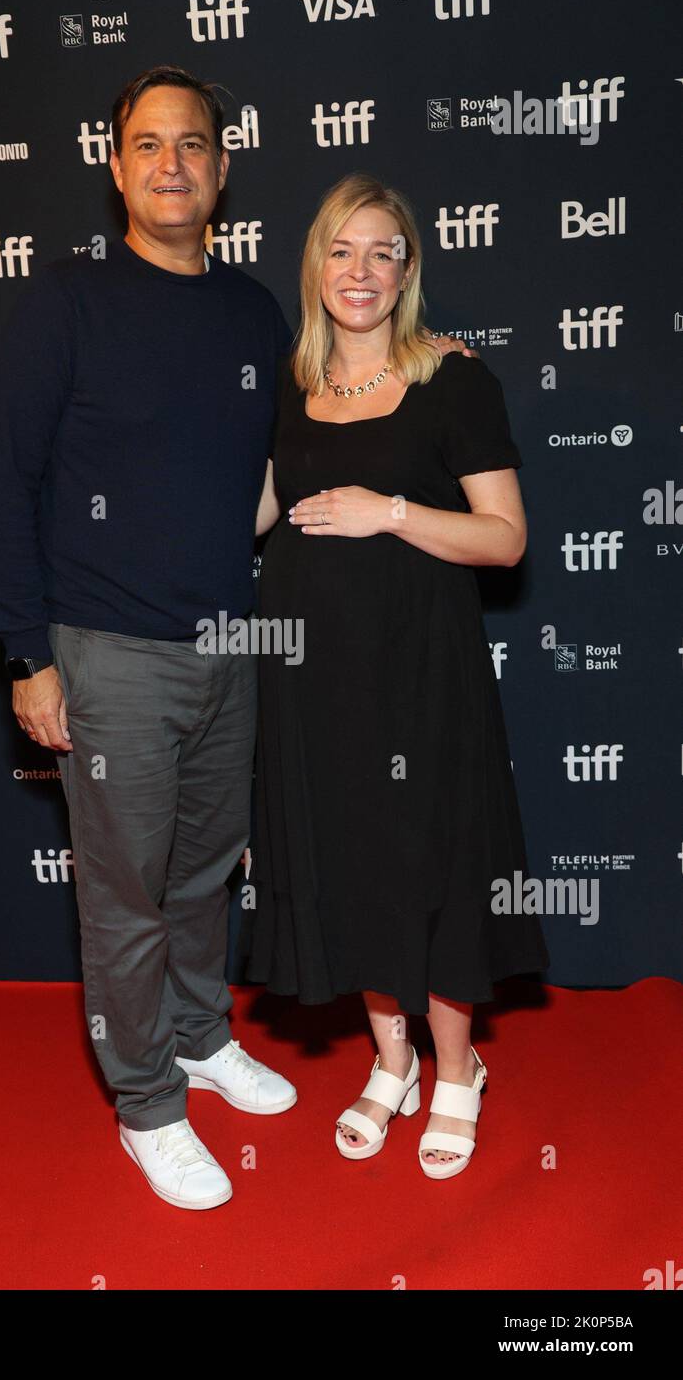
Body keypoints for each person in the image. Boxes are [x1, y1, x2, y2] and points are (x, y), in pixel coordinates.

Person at [0, 67, 472, 1211]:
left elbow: (330, 415)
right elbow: (4, 482)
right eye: (147, 145)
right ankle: (146, 1102)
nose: (170, 165)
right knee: (124, 894)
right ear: (115, 167)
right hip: (104, 651)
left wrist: (418, 352)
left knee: (205, 876)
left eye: (191, 145)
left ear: (220, 168)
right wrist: (27, 651)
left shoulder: (253, 310)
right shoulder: (65, 302)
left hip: (230, 646)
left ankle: (199, 1038)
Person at [248, 172, 551, 1180]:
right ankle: (392, 1062)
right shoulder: (287, 387)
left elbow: (503, 538)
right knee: (349, 862)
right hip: (310, 678)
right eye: (342, 249)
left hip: (420, 673)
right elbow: (246, 513)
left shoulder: (450, 380)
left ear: (408, 267)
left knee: (432, 863)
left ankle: (456, 1069)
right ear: (314, 265)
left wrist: (391, 511)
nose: (361, 270)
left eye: (383, 250)